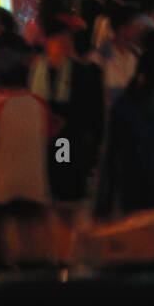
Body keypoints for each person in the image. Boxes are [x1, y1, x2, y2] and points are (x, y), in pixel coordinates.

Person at [0, 61, 53, 267]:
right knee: (31, 238)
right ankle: (35, 268)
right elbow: (53, 134)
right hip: (34, 183)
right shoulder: (39, 104)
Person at [94, 44, 154, 217]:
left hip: (142, 189)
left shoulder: (128, 106)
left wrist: (103, 204)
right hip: (145, 189)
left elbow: (111, 157)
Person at [28, 19, 104, 201]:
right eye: (59, 41)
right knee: (47, 173)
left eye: (67, 41)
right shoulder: (37, 69)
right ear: (48, 42)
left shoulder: (80, 71)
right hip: (43, 132)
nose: (64, 45)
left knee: (65, 172)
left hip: (67, 134)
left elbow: (89, 106)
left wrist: (66, 120)